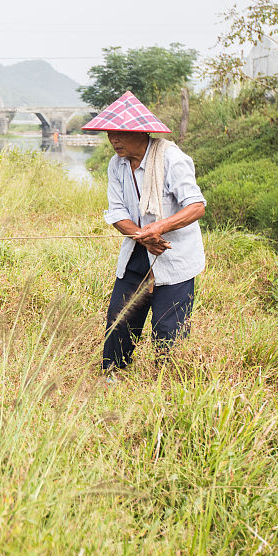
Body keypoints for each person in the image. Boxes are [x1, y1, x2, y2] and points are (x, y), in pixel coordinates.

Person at [80, 91, 207, 374]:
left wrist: (159, 228)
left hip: (173, 255)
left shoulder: (171, 159)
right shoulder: (117, 164)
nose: (113, 139)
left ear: (141, 133)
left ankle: (167, 384)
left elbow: (196, 206)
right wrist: (142, 235)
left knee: (169, 330)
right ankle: (114, 375)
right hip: (139, 251)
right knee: (119, 320)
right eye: (109, 133)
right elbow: (116, 213)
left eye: (119, 133)